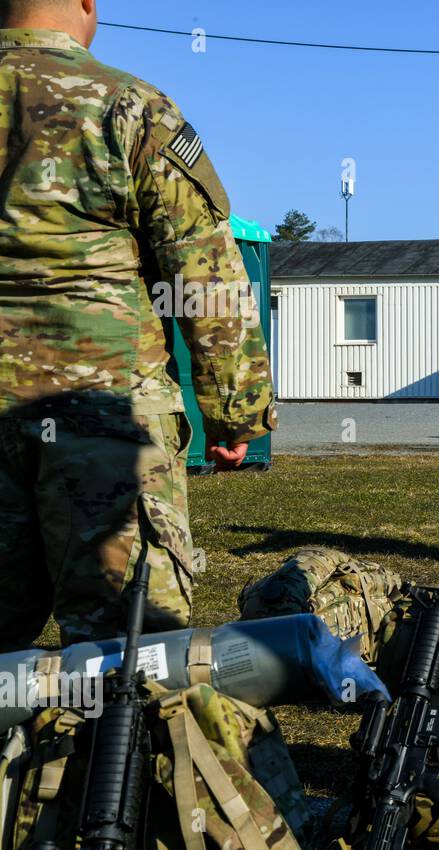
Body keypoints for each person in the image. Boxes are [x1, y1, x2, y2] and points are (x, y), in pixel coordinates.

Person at [0, 0, 276, 649]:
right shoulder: (129, 106)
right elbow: (202, 274)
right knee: (129, 655)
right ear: (87, 4)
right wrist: (235, 413)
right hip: (104, 418)